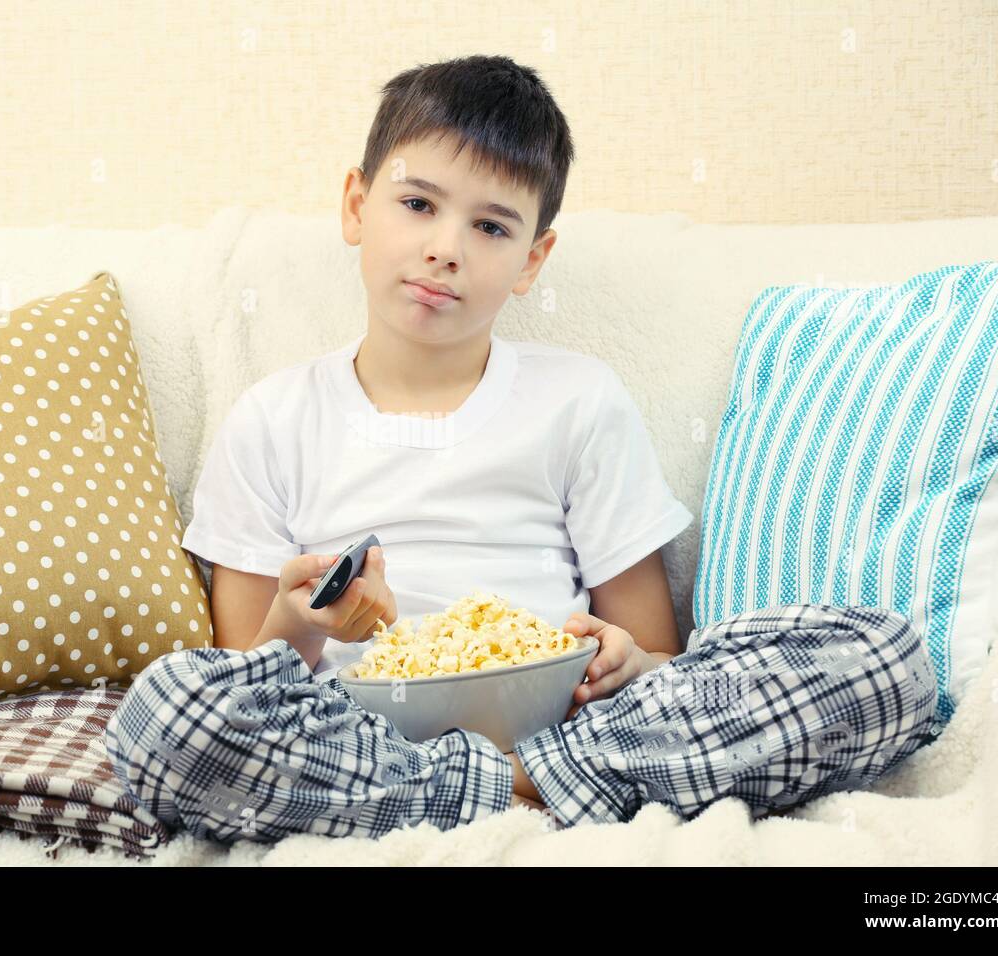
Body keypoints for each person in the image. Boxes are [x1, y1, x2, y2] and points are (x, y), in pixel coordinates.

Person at [103, 54, 938, 844]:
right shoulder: (271, 419)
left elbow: (649, 647)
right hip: (357, 737)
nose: (447, 249)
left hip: (567, 719)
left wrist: (628, 661)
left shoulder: (576, 401)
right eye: (419, 204)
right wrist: (304, 623)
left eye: (492, 226)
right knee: (170, 716)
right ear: (357, 205)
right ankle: (528, 787)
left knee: (883, 659)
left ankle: (509, 778)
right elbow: (244, 677)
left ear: (533, 258)